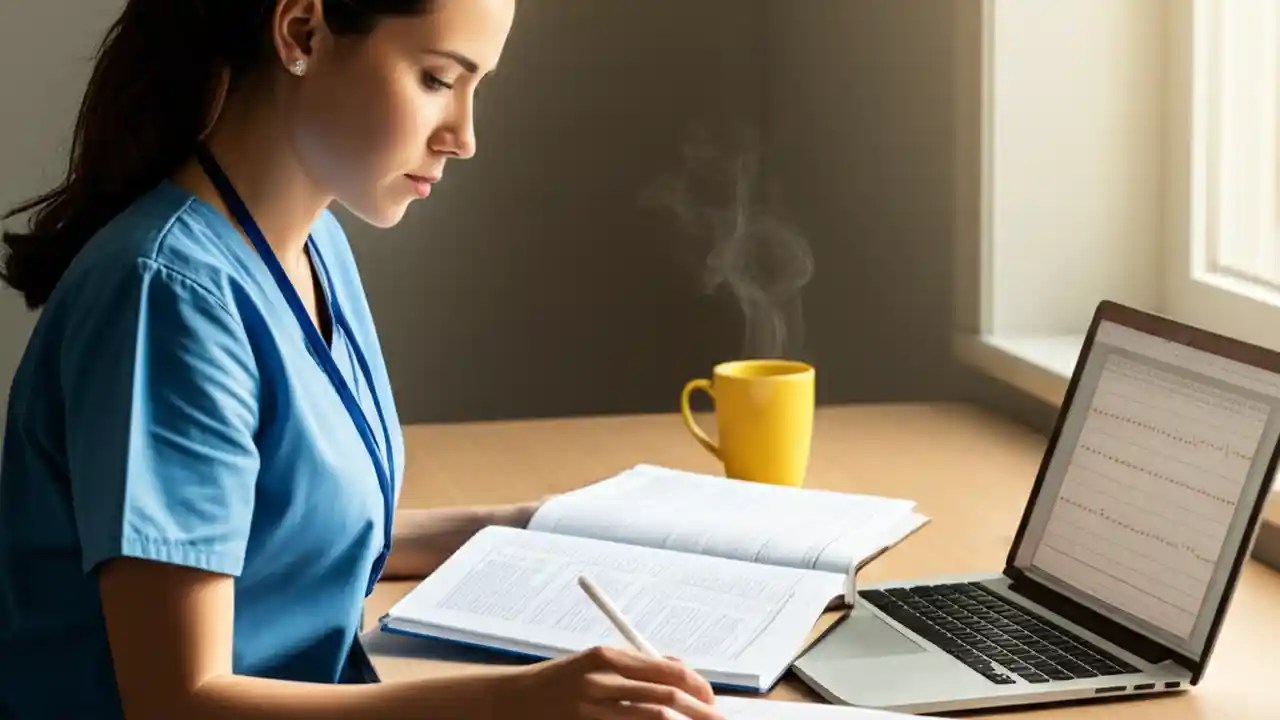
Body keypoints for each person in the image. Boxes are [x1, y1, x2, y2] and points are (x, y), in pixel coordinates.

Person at [0, 1, 725, 718]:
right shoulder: (167, 299)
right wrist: (518, 703)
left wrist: (533, 526)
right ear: (302, 32)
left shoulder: (313, 247)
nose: (464, 136)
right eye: (439, 79)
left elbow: (288, 535)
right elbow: (177, 701)